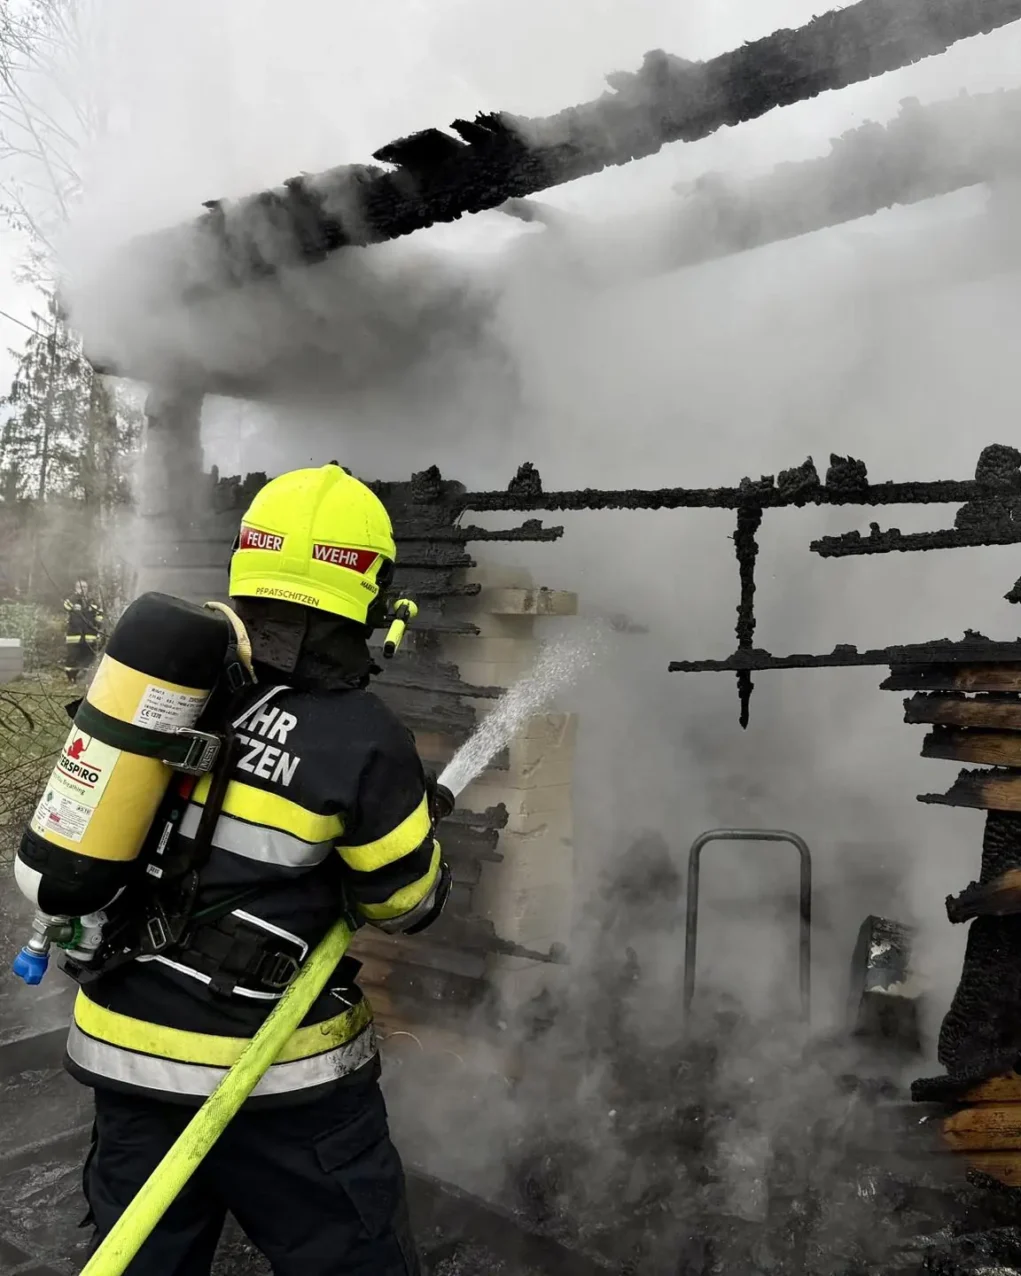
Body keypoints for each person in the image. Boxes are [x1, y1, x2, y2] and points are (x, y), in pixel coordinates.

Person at [66, 465, 451, 1274]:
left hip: (125, 1057)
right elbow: (405, 904)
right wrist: (407, 826)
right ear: (371, 590)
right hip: (282, 1082)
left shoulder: (170, 690)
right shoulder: (363, 736)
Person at [63, 578, 103, 682]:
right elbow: (66, 605)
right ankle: (71, 677)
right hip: (74, 635)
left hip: (90, 635)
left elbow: (99, 614)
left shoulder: (92, 602)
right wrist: (76, 599)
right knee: (72, 657)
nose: (83, 589)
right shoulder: (72, 600)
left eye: (85, 587)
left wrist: (97, 627)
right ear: (76, 588)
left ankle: (84, 679)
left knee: (88, 657)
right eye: (80, 587)